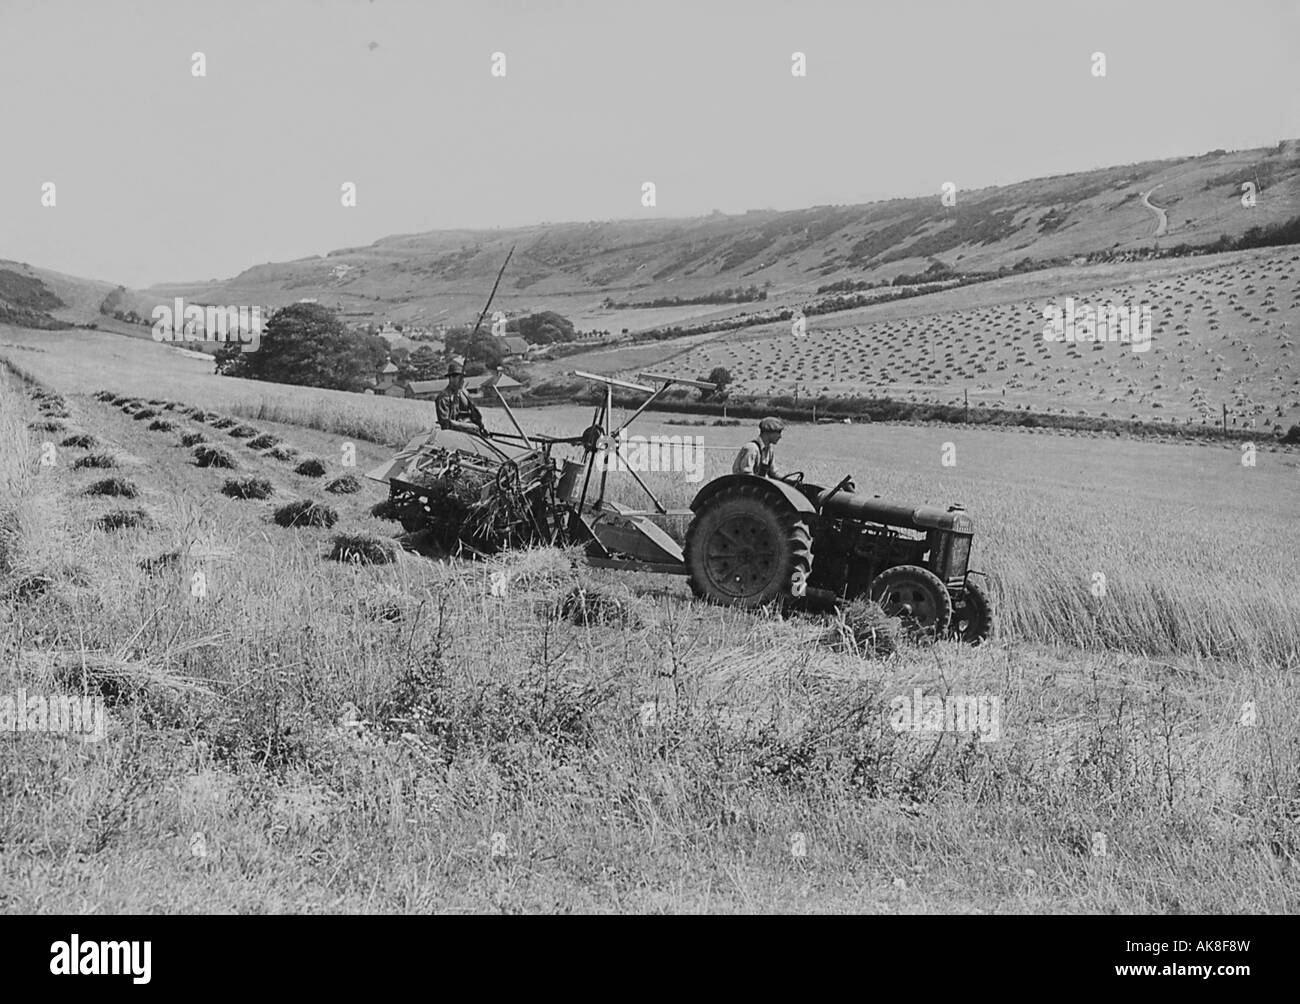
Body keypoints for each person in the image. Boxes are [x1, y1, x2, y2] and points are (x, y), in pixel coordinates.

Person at [435, 359, 485, 433]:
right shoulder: (443, 398)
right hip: (452, 436)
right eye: (460, 378)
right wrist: (468, 426)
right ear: (451, 378)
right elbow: (445, 424)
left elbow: (476, 416)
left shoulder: (465, 394)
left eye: (463, 378)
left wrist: (481, 427)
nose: (463, 381)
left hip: (470, 433)